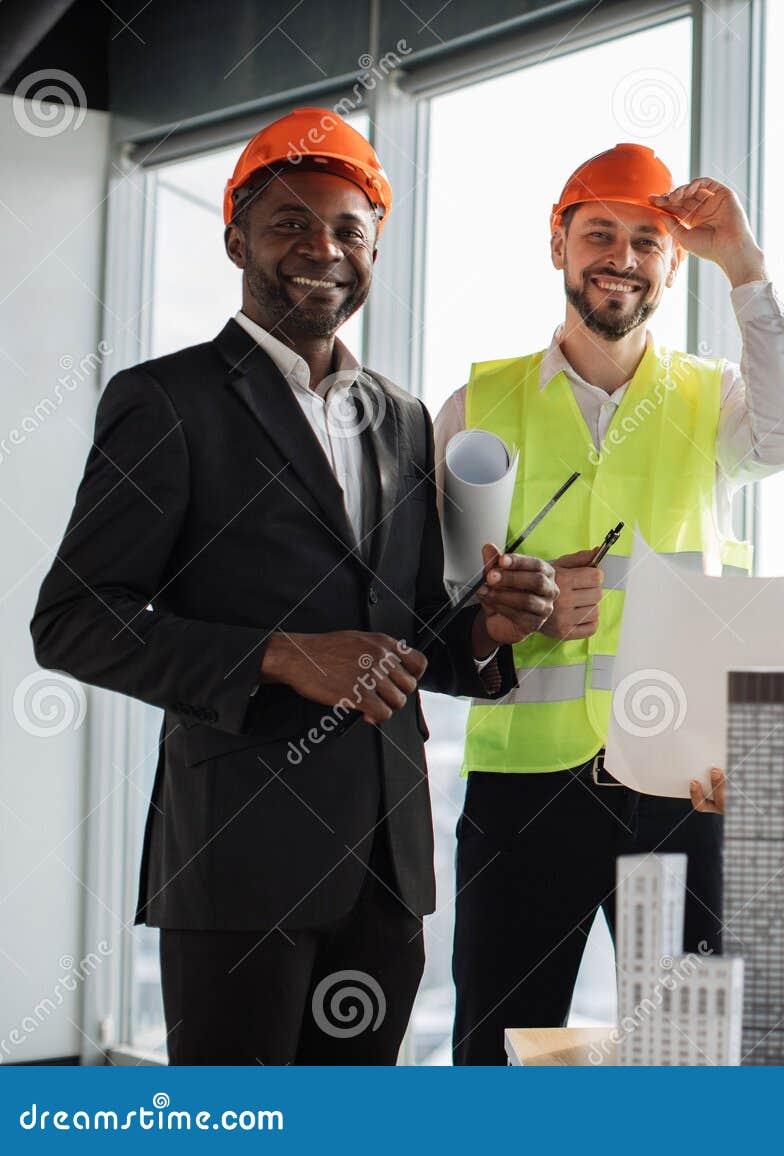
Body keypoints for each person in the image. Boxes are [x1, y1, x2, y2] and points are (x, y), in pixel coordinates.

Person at [30, 109, 557, 1065]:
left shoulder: (398, 416)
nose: (323, 248)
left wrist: (484, 627)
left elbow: (402, 631)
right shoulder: (169, 402)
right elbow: (73, 621)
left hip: (386, 865)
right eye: (290, 223)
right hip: (239, 861)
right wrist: (280, 655)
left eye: (350, 229)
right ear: (236, 236)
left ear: (375, 248)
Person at [436, 143, 784, 1063]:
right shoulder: (476, 406)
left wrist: (746, 267)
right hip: (523, 790)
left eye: (646, 241)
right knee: (499, 1047)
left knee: (698, 1055)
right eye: (598, 234)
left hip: (683, 783)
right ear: (558, 246)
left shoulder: (714, 400)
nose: (621, 256)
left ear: (671, 263)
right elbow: (439, 612)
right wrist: (512, 618)